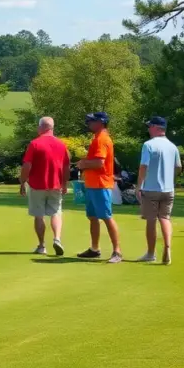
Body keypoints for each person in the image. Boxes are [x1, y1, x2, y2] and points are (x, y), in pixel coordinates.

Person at [75, 112, 123, 263]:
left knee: (106, 217)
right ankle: (94, 249)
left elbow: (99, 163)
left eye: (92, 121)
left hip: (100, 184)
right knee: (93, 217)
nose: (88, 123)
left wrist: (83, 164)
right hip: (93, 184)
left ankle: (117, 252)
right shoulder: (98, 138)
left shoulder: (101, 139)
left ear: (100, 122)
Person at [20, 117, 70, 256]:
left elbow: (27, 165)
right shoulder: (61, 144)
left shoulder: (35, 143)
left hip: (37, 184)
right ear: (52, 128)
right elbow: (66, 166)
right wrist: (64, 183)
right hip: (55, 184)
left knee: (39, 215)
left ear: (41, 127)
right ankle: (57, 238)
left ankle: (42, 246)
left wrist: (22, 181)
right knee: (56, 212)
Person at [136, 117, 181, 265]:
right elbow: (178, 167)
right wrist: (171, 179)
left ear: (156, 127)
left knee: (151, 220)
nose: (148, 129)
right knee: (165, 218)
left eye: (150, 127)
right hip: (168, 189)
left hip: (150, 188)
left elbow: (144, 166)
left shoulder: (148, 145)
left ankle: (150, 253)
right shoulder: (173, 146)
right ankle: (167, 247)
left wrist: (138, 185)